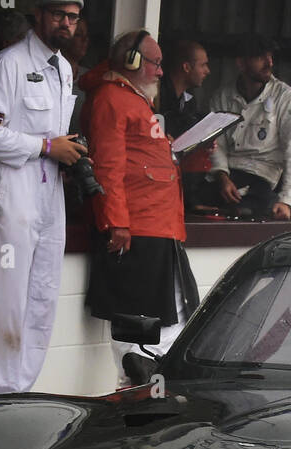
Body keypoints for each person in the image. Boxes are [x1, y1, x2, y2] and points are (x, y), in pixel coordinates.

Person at [0, 0, 83, 394]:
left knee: (42, 297)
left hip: (49, 190)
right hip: (12, 189)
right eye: (59, 15)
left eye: (73, 17)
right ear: (40, 14)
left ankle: (22, 391)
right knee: (7, 296)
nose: (66, 24)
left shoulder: (65, 69)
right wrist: (46, 146)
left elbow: (56, 136)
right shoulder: (10, 63)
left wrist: (63, 152)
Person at [79, 28, 198, 377]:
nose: (162, 72)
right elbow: (108, 167)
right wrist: (116, 222)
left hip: (161, 227)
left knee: (171, 319)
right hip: (137, 228)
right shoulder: (111, 99)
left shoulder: (136, 102)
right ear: (131, 61)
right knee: (140, 326)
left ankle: (145, 389)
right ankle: (137, 390)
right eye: (156, 64)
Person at [206, 33, 291, 218]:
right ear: (241, 63)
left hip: (262, 179)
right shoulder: (222, 97)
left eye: (270, 57)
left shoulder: (286, 98)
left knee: (251, 210)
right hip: (226, 177)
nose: (269, 63)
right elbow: (215, 145)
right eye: (261, 58)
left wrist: (287, 201)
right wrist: (222, 176)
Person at [161, 39, 212, 207]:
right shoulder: (157, 98)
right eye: (203, 65)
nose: (208, 71)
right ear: (186, 67)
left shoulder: (189, 102)